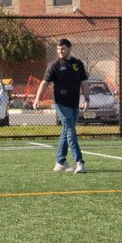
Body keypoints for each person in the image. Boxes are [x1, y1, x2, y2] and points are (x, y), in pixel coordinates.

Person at [33, 37, 90, 174]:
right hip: (61, 104)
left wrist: (87, 99)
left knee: (66, 131)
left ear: (69, 49)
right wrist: (37, 99)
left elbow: (84, 83)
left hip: (74, 104)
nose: (60, 51)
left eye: (63, 48)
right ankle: (79, 162)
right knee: (71, 131)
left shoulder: (78, 64)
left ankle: (60, 162)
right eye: (58, 49)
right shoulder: (54, 65)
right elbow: (44, 83)